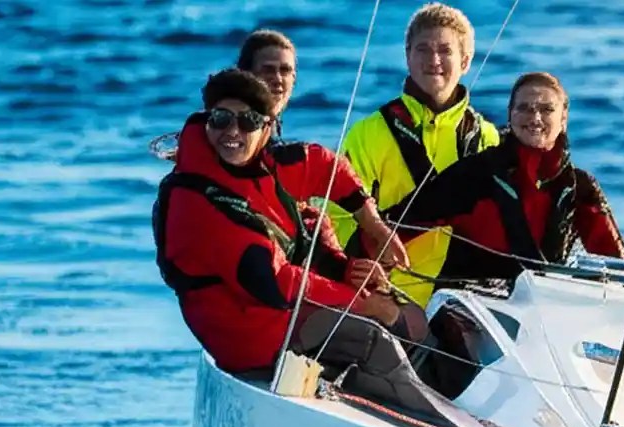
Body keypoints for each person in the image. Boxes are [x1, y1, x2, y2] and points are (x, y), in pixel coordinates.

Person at [153, 69, 422, 383]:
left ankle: (442, 397)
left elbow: (324, 166)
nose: (233, 132)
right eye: (221, 119)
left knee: (412, 320)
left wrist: (373, 226)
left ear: (267, 128)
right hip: (246, 338)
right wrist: (365, 304)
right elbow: (275, 282)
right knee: (374, 339)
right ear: (207, 120)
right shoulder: (196, 200)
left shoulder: (262, 167)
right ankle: (437, 425)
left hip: (275, 316)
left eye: (248, 121)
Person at [378, 71, 624, 299]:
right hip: (470, 309)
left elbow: (618, 267)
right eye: (525, 108)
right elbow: (397, 225)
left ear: (563, 118)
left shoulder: (580, 187)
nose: (535, 118)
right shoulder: (476, 173)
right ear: (510, 115)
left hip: (543, 311)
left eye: (546, 109)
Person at [330, 3, 501, 305]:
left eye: (445, 50)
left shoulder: (486, 137)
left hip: (471, 303)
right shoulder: (368, 133)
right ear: (408, 56)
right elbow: (336, 220)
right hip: (389, 300)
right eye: (423, 49)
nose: (434, 60)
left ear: (466, 60)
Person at [237, 29, 297, 122]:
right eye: (268, 70)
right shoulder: (230, 131)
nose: (278, 79)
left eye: (285, 70)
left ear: (293, 78)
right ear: (245, 75)